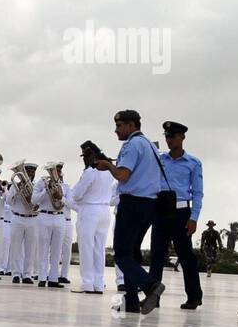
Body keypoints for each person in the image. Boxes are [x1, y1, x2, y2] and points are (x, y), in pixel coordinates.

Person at [94, 109, 165, 314]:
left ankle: (151, 286)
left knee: (122, 254)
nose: (116, 130)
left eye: (119, 125)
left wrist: (108, 165)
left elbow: (123, 175)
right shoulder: (150, 145)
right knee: (132, 253)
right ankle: (131, 301)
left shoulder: (132, 145)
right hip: (149, 204)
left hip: (133, 203)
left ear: (131, 125)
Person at [148, 120, 205, 309]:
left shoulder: (193, 163)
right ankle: (153, 296)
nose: (169, 140)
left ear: (182, 137)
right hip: (160, 210)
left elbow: (197, 192)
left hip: (181, 212)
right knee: (156, 254)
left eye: (173, 136)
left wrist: (194, 217)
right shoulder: (159, 160)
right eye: (167, 136)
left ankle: (194, 296)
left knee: (186, 256)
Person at [69, 142, 114, 294]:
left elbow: (76, 195)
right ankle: (99, 284)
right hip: (104, 211)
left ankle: (87, 283)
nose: (84, 160)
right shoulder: (108, 171)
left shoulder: (90, 171)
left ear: (91, 155)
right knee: (99, 249)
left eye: (85, 156)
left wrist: (79, 199)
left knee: (86, 248)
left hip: (89, 211)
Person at [32, 161, 70, 288]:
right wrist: (45, 190)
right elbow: (34, 200)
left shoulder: (65, 186)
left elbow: (70, 202)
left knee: (57, 250)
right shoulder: (41, 183)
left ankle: (53, 278)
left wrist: (61, 196)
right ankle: (42, 277)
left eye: (58, 171)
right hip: (44, 216)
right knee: (43, 249)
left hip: (59, 217)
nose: (56, 173)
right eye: (54, 171)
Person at [6, 160, 39, 284]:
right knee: (16, 247)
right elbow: (8, 201)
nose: (30, 173)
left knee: (30, 248)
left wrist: (36, 204)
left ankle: (27, 275)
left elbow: (41, 203)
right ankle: (15, 273)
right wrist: (17, 191)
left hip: (32, 219)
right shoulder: (15, 186)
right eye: (27, 171)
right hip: (17, 218)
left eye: (32, 171)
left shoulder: (37, 186)